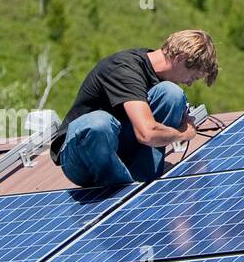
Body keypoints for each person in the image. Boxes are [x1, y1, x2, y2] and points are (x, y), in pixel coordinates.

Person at [49, 30, 219, 187]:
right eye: (193, 77)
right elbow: (147, 134)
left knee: (172, 94)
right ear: (180, 58)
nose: (189, 83)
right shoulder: (124, 69)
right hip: (81, 157)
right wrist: (183, 133)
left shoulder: (158, 77)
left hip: (120, 148)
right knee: (100, 123)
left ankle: (143, 180)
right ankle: (124, 190)